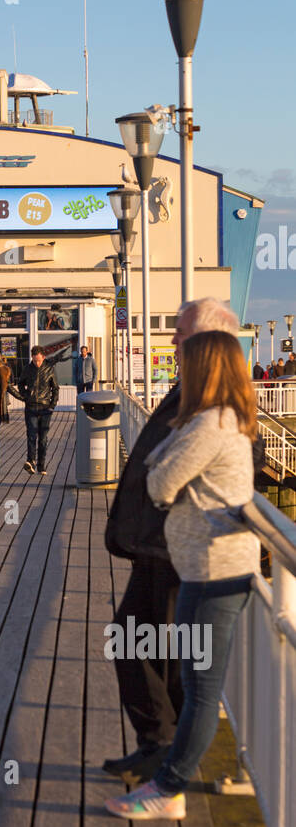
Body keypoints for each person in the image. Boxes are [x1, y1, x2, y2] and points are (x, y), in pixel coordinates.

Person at [102, 297, 264, 784]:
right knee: (132, 641)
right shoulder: (191, 397)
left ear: (211, 344)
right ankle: (157, 744)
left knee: (172, 661)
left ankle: (168, 761)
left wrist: (162, 472)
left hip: (186, 555)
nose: (172, 341)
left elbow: (165, 479)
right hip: (159, 547)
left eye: (181, 334)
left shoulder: (214, 411)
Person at [10, 347, 58, 476]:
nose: (36, 363)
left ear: (43, 357)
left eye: (38, 360)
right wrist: (26, 396)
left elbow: (55, 388)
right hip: (31, 407)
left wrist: (52, 405)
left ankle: (41, 466)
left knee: (42, 439)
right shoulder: (27, 369)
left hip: (45, 408)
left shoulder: (49, 369)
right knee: (31, 435)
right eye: (34, 360)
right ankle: (30, 461)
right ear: (32, 357)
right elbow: (20, 384)